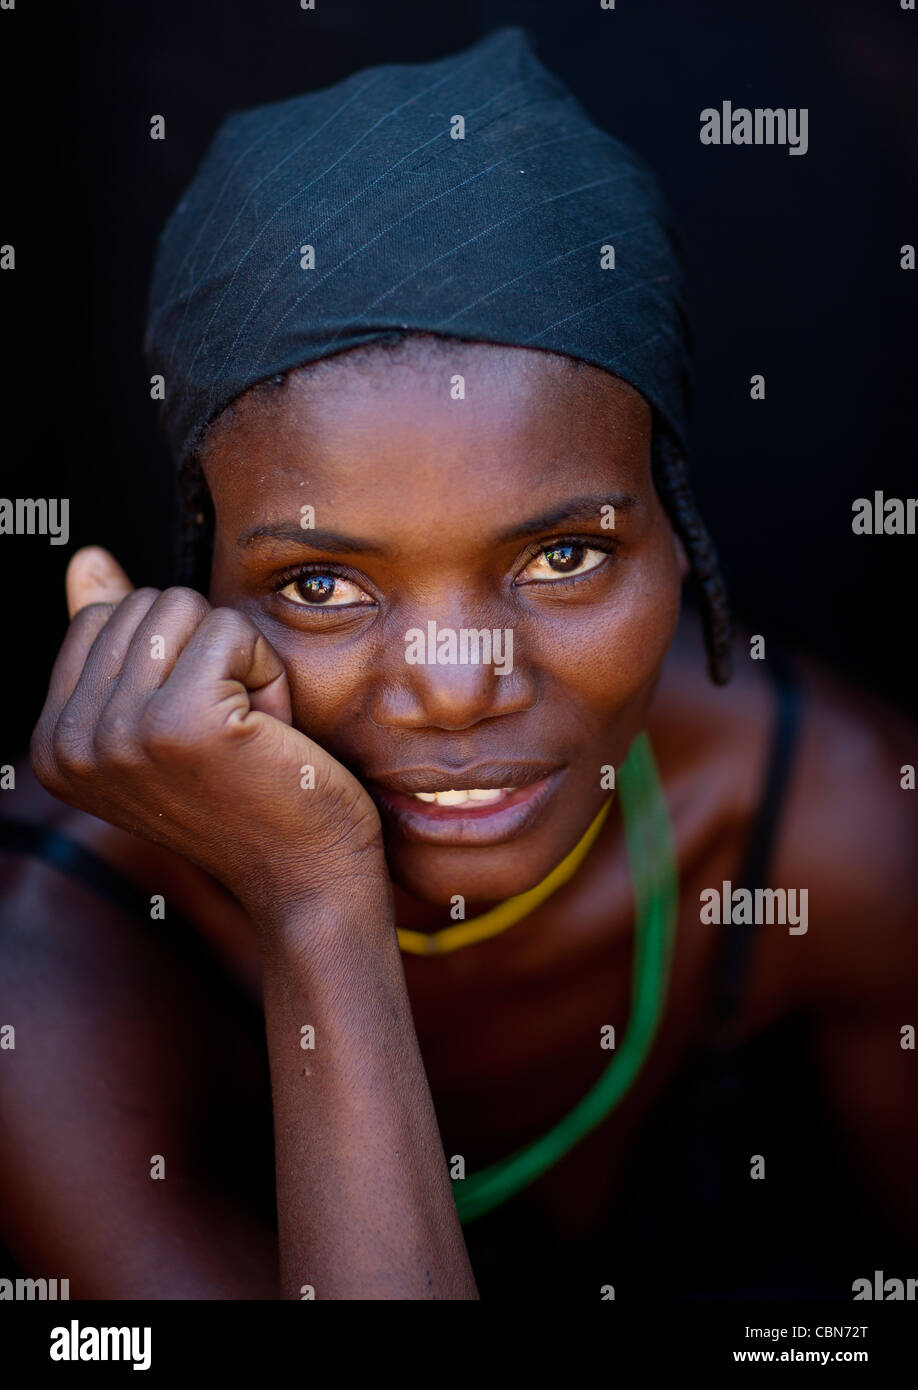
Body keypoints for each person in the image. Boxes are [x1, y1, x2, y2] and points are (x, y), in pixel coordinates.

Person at [1, 27, 915, 1301]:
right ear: (197, 585)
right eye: (321, 585)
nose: (451, 679)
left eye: (561, 557)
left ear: (681, 542)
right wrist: (319, 896)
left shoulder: (825, 829)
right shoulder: (55, 951)